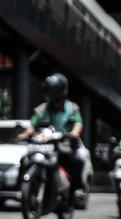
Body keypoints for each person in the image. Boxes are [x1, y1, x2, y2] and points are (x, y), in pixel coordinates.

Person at [19, 73, 89, 201]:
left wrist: (74, 133)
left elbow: (78, 123)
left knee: (78, 160)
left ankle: (76, 190)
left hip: (65, 144)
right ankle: (24, 187)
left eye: (53, 90)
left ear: (61, 91)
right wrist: (26, 133)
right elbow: (32, 125)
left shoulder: (72, 108)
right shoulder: (42, 109)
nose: (50, 93)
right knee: (24, 160)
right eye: (49, 90)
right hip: (45, 145)